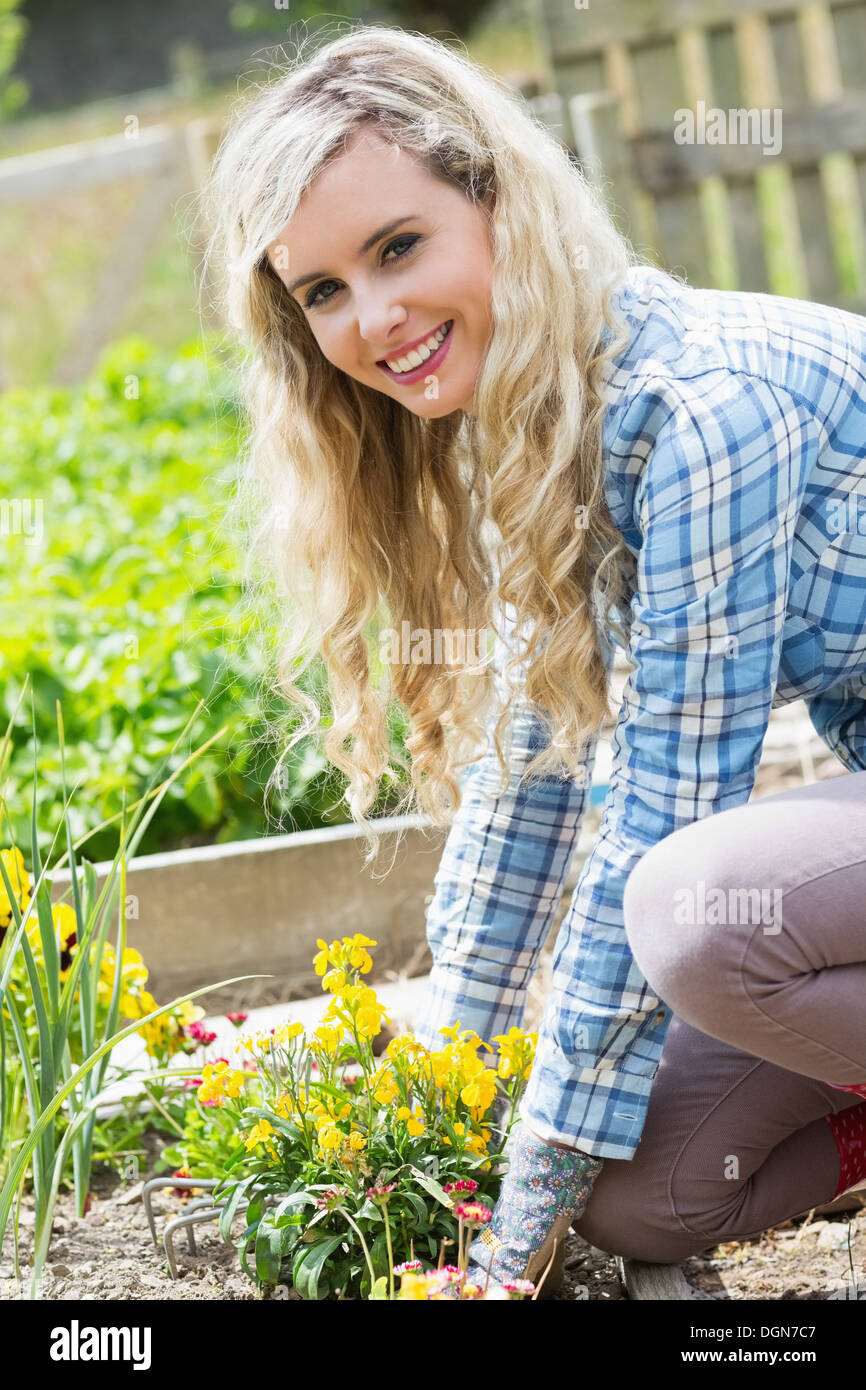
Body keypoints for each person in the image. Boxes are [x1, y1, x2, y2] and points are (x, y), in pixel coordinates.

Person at [202, 22, 866, 1296]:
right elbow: (532, 793)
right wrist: (453, 1129)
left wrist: (508, 1253)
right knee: (637, 1194)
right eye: (324, 290)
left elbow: (669, 804)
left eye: (398, 247)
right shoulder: (533, 433)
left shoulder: (702, 409)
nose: (373, 318)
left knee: (690, 909)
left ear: (498, 199)